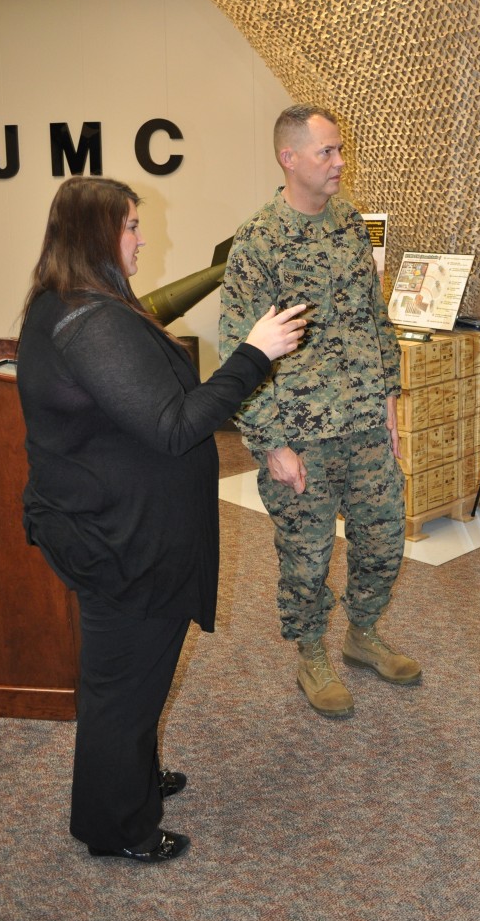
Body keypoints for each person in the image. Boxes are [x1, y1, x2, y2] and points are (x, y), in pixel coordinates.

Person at [16, 177, 306, 863]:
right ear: (97, 236)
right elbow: (175, 427)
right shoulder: (92, 323)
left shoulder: (76, 305)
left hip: (114, 525)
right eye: (130, 226)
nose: (143, 237)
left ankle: (133, 779)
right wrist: (254, 355)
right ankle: (115, 828)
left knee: (130, 676)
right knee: (123, 686)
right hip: (119, 542)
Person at [219, 104, 421, 718]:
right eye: (326, 152)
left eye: (338, 151)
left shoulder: (350, 224)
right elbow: (238, 352)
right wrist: (269, 443)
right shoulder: (257, 243)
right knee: (306, 558)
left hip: (363, 416)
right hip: (300, 431)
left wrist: (388, 394)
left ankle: (362, 633)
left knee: (383, 539)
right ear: (289, 158)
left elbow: (373, 316)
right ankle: (311, 652)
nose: (339, 162)